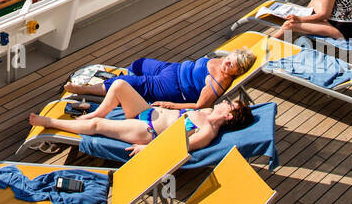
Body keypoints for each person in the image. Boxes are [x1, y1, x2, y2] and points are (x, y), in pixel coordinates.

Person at [30, 88, 252, 153]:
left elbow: (178, 148)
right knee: (118, 86)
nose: (226, 102)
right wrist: (168, 105)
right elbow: (185, 109)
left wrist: (146, 150)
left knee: (98, 127)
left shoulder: (207, 131)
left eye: (230, 104)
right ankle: (94, 112)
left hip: (147, 130)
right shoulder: (208, 110)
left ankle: (50, 123)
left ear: (229, 115)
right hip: (149, 112)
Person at [63, 47, 256, 111]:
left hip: (173, 88)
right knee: (139, 64)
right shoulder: (223, 59)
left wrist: (171, 105)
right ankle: (126, 94)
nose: (228, 64)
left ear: (237, 72)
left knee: (128, 83)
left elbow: (199, 106)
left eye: (233, 66)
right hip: (172, 69)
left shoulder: (218, 82)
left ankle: (87, 90)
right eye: (230, 59)